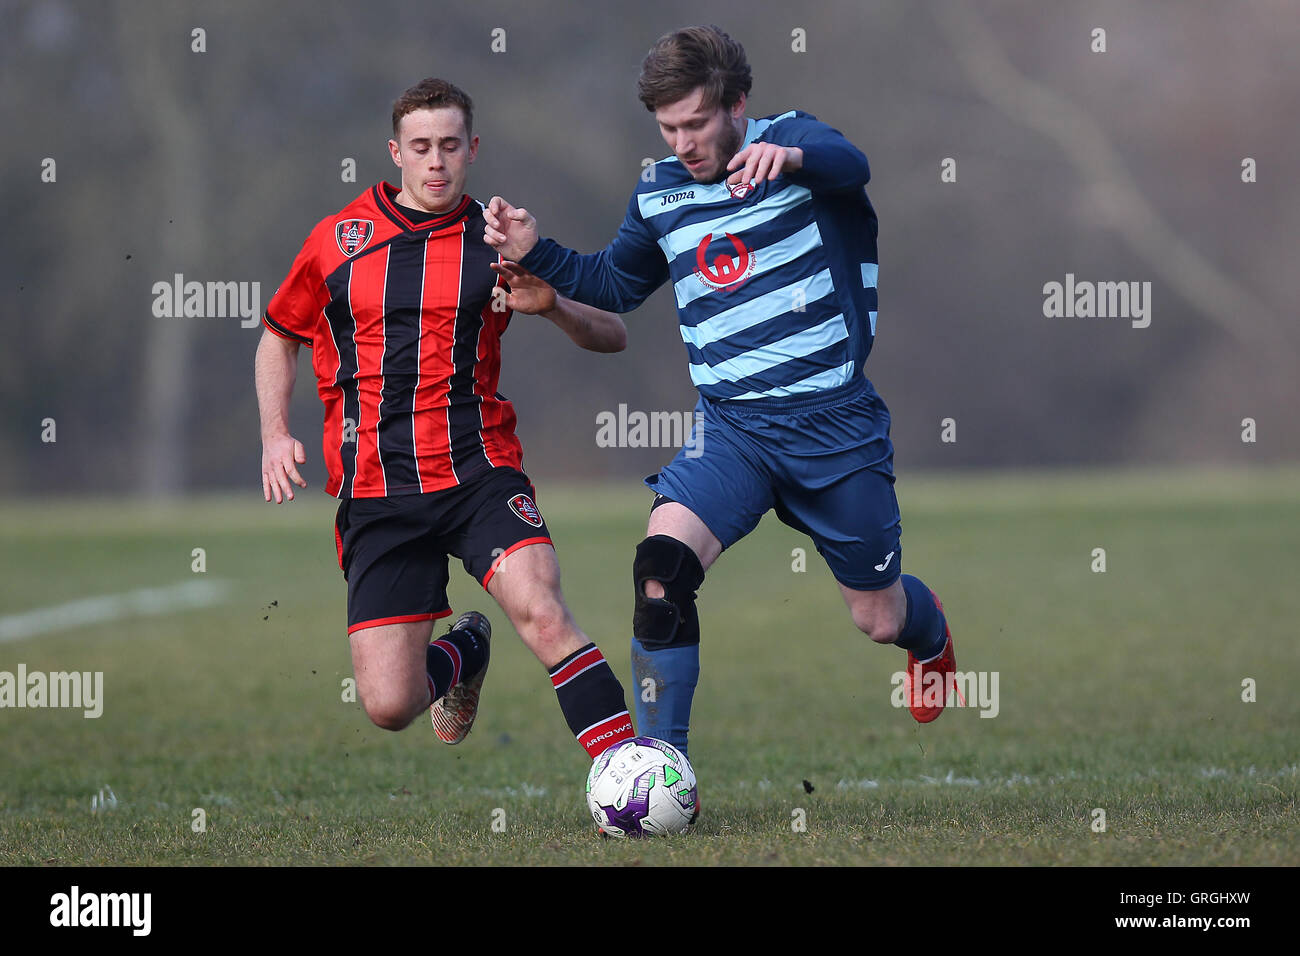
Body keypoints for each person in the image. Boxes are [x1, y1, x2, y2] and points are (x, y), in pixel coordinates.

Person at [484, 26, 956, 758]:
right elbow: (615, 283)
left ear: (738, 105)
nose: (683, 142)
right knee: (660, 572)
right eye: (669, 128)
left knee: (879, 619)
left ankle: (930, 633)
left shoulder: (796, 145)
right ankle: (660, 766)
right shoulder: (661, 190)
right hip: (731, 432)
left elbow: (852, 164)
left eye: (697, 123)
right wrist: (534, 252)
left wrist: (791, 157)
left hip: (834, 428)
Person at [255, 77, 636, 760]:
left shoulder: (500, 242)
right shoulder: (337, 242)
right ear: (395, 152)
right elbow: (280, 336)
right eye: (422, 147)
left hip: (479, 471)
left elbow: (613, 334)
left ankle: (629, 773)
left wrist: (551, 305)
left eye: (450, 146)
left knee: (545, 613)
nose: (436, 162)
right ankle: (466, 650)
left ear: (472, 150)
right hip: (378, 490)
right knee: (390, 705)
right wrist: (274, 434)